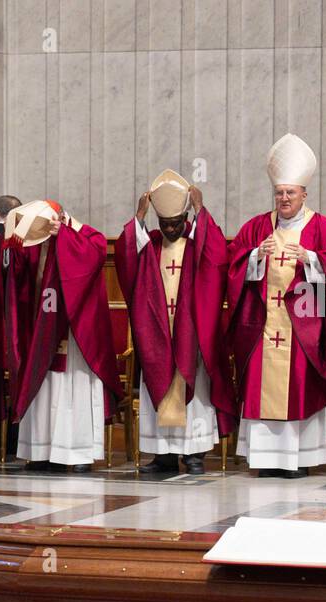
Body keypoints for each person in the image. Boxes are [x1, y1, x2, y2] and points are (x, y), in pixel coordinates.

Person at [227, 133, 326, 478]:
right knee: (260, 385)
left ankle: (297, 460)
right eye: (279, 193)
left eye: (290, 193)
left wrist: (311, 259)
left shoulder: (323, 229)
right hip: (263, 327)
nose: (284, 198)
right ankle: (265, 459)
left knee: (299, 386)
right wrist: (253, 257)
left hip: (303, 332)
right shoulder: (256, 228)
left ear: (304, 194)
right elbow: (234, 269)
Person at [0, 199, 122, 472]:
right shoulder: (37, 240)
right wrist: (15, 248)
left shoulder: (87, 235)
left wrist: (64, 237)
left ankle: (78, 454)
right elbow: (18, 278)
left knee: (72, 393)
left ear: (61, 217)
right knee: (44, 394)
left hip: (74, 334)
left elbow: (94, 257)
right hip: (42, 333)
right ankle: (41, 451)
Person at [115, 170, 235, 476]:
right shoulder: (150, 245)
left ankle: (193, 454)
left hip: (189, 332)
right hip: (156, 333)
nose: (169, 229)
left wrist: (201, 211)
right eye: (164, 224)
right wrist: (139, 217)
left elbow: (219, 255)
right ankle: (163, 455)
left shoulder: (198, 244)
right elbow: (126, 259)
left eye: (175, 223)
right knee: (159, 384)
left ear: (185, 218)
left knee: (193, 392)